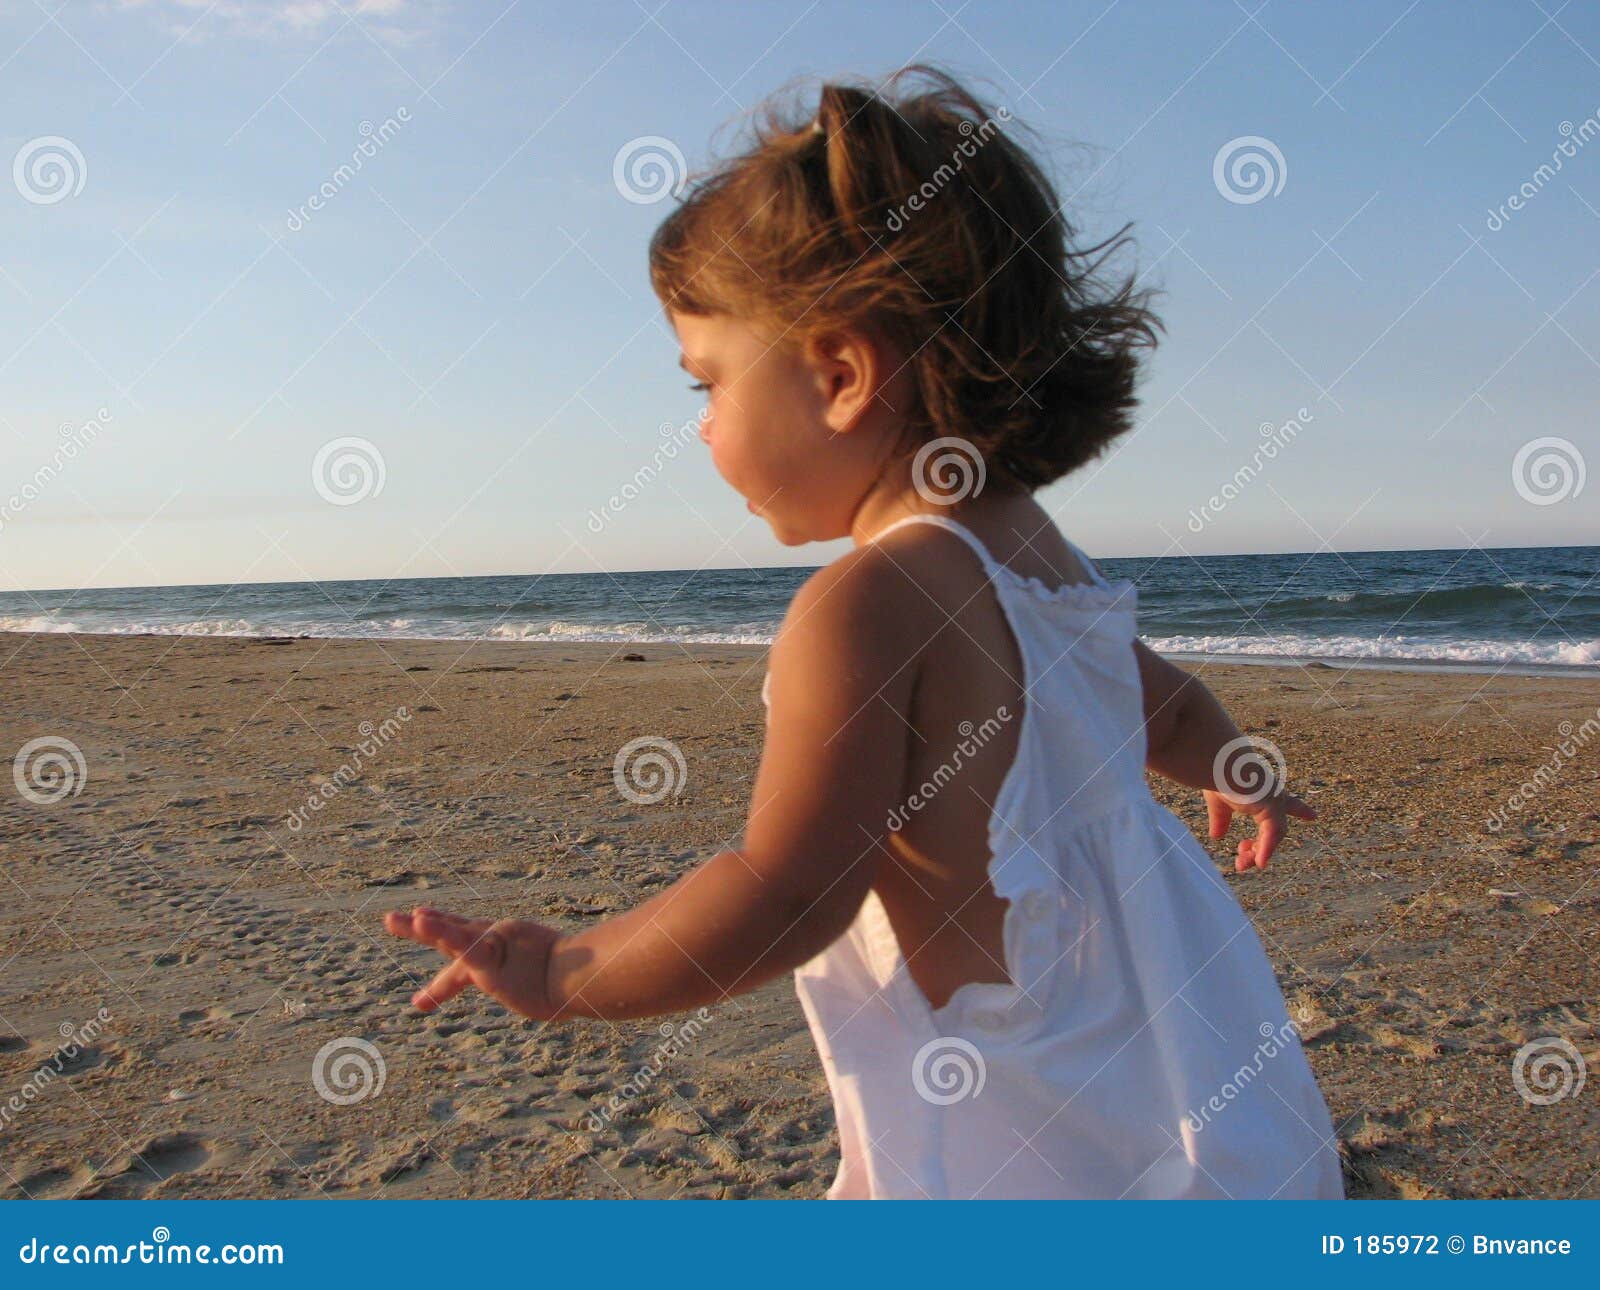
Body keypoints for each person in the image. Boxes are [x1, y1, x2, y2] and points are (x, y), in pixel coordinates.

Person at [385, 66, 1344, 1200]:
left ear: (840, 374)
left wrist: (562, 970)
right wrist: (1235, 766)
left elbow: (787, 891)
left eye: (704, 384)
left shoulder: (864, 604)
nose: (698, 430)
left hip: (1004, 1131)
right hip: (1151, 1073)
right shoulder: (1038, 555)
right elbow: (1164, 703)